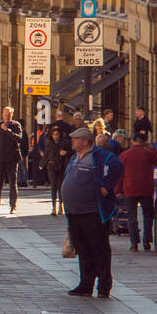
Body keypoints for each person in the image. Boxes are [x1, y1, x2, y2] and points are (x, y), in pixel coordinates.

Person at [62, 126, 124, 299]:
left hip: (93, 212)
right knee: (82, 249)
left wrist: (106, 186)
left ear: (84, 141)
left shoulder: (98, 156)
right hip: (75, 212)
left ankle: (104, 286)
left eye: (75, 139)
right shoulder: (75, 157)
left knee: (99, 249)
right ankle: (85, 284)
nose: (72, 141)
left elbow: (117, 165)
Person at [120, 132, 157, 252]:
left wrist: (118, 190)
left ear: (133, 141)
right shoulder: (148, 153)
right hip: (146, 189)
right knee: (148, 215)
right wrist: (152, 148)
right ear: (144, 142)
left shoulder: (124, 155)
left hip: (130, 188)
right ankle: (146, 240)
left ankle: (134, 243)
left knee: (131, 216)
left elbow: (120, 174)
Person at [0, 106, 24, 214]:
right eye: (5, 114)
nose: (7, 116)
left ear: (12, 115)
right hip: (0, 158)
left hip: (12, 158)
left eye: (9, 114)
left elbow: (19, 138)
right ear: (2, 114)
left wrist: (8, 130)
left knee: (13, 182)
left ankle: (13, 205)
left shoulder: (16, 125)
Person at [44, 110, 73, 216]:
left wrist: (65, 152)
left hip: (61, 166)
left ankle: (61, 205)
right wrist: (41, 165)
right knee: (53, 186)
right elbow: (46, 155)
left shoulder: (65, 143)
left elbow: (71, 152)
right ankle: (53, 207)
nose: (55, 136)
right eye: (54, 134)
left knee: (61, 186)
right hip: (51, 166)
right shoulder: (49, 143)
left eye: (57, 134)